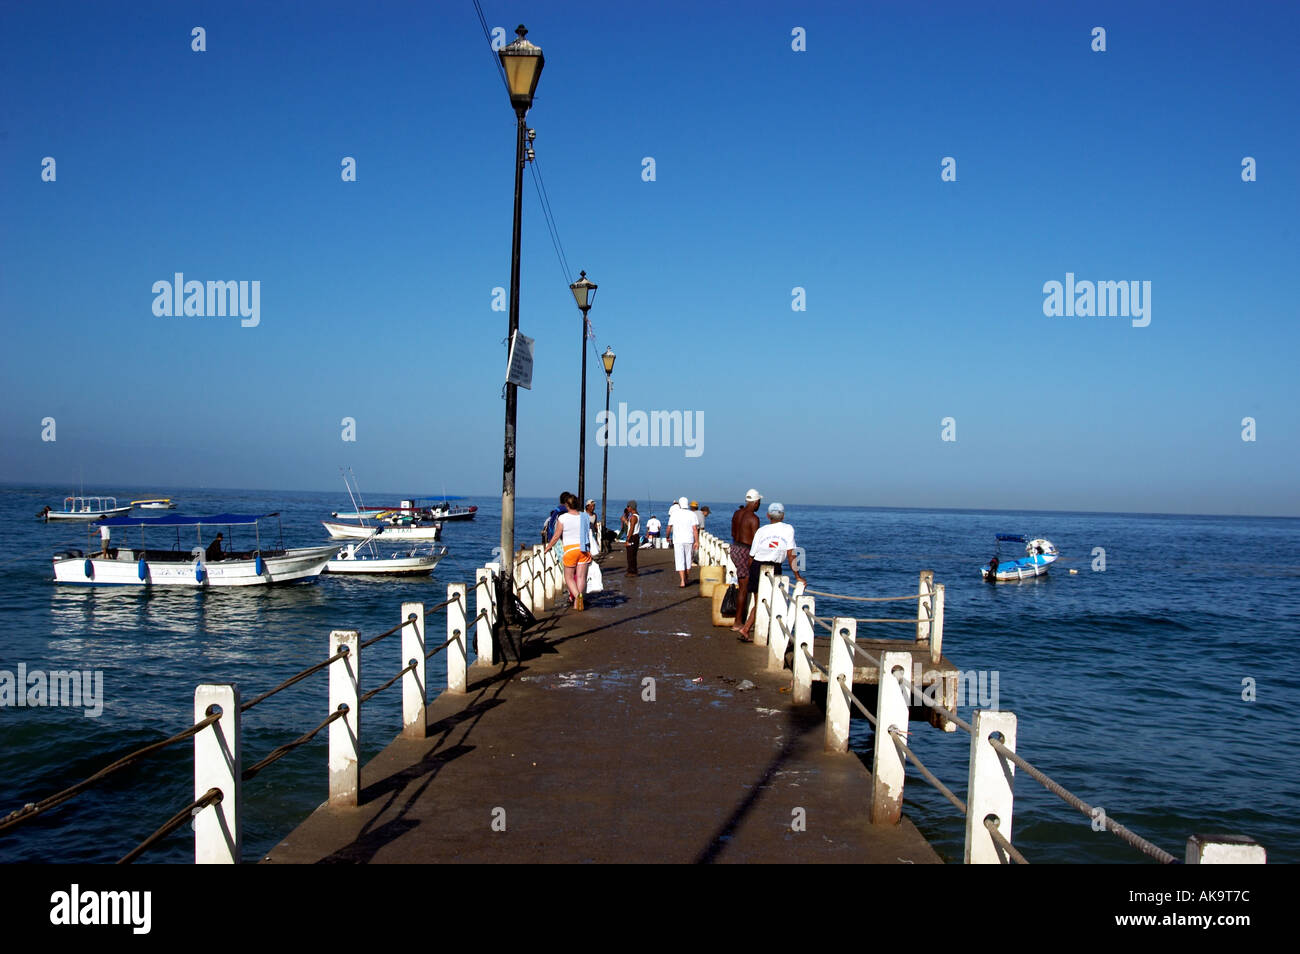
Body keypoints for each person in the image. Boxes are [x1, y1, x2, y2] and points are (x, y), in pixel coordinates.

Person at [735, 502, 805, 642]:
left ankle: (748, 629)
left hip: (756, 566)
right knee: (768, 601)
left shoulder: (762, 531)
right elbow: (791, 554)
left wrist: (751, 572)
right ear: (783, 515)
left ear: (768, 516)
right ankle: (751, 630)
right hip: (774, 567)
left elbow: (752, 556)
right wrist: (798, 576)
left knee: (760, 600)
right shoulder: (788, 529)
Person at [546, 492, 591, 610]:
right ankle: (578, 603)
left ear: (567, 505)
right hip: (583, 549)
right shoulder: (585, 516)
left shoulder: (563, 518)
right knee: (581, 577)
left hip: (570, 550)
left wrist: (548, 547)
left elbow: (556, 536)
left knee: (569, 577)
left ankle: (577, 596)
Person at [729, 489, 761, 635]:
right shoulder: (754, 518)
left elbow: (733, 533)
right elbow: (756, 541)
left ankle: (742, 619)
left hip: (735, 547)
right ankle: (738, 622)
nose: (759, 504)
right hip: (745, 551)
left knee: (743, 584)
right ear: (755, 502)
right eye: (759, 502)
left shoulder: (737, 514)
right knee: (744, 587)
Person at [667, 496, 699, 588]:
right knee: (688, 559)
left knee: (680, 559)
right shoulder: (692, 514)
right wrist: (697, 541)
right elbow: (695, 529)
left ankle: (682, 581)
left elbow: (669, 527)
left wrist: (667, 536)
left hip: (678, 540)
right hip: (689, 539)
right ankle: (686, 578)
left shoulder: (674, 514)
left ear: (680, 504)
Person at [624, 500, 640, 576]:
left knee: (630, 555)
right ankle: (633, 570)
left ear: (631, 507)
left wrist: (627, 539)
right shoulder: (636, 515)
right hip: (635, 537)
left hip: (633, 537)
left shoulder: (633, 517)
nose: (627, 508)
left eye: (628, 507)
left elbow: (632, 529)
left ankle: (632, 571)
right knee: (632, 554)